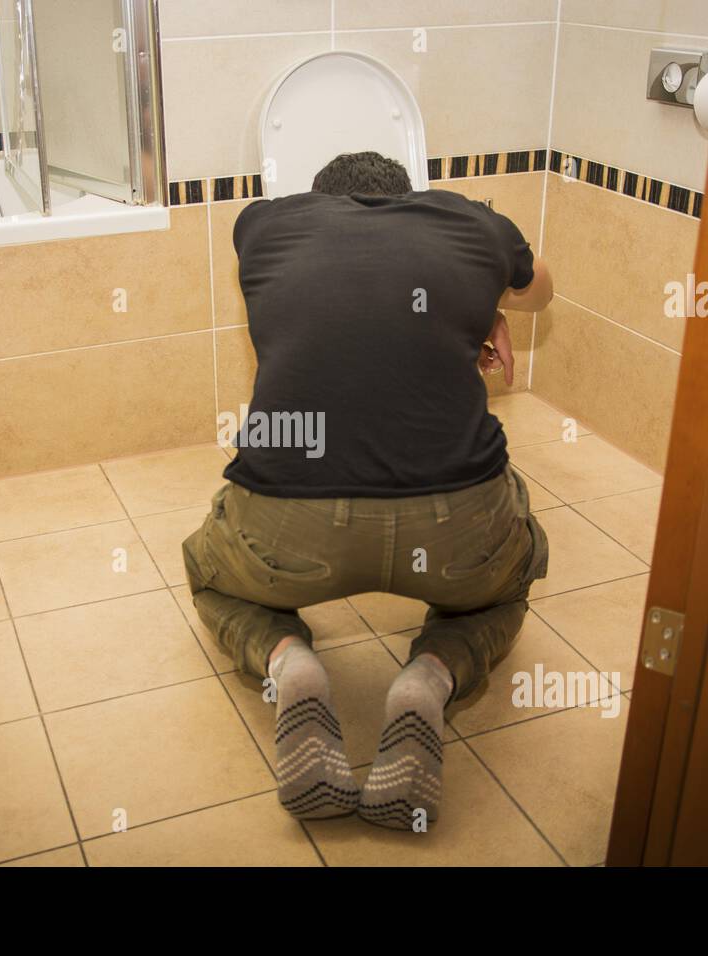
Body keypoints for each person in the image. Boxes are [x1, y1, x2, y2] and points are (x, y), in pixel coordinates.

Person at [182, 151, 553, 830]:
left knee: (212, 574)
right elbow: (543, 290)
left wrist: (470, 309)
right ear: (407, 198)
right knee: (513, 571)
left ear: (320, 200)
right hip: (455, 527)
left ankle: (289, 665)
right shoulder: (470, 221)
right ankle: (429, 680)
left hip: (291, 524)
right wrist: (486, 305)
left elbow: (349, 299)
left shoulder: (261, 224)